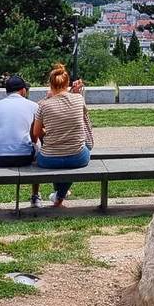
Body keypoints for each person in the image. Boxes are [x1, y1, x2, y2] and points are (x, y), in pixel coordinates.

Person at [31, 63, 92, 207]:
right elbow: (81, 115)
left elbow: (36, 132)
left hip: (49, 159)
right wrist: (73, 92)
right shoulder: (78, 99)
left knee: (56, 155)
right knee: (75, 155)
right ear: (68, 83)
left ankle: (59, 194)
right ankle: (60, 195)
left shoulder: (44, 105)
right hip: (78, 157)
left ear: (50, 84)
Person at [0, 75, 43, 209]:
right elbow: (34, 137)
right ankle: (35, 197)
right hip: (23, 156)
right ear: (23, 91)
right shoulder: (33, 106)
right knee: (37, 150)